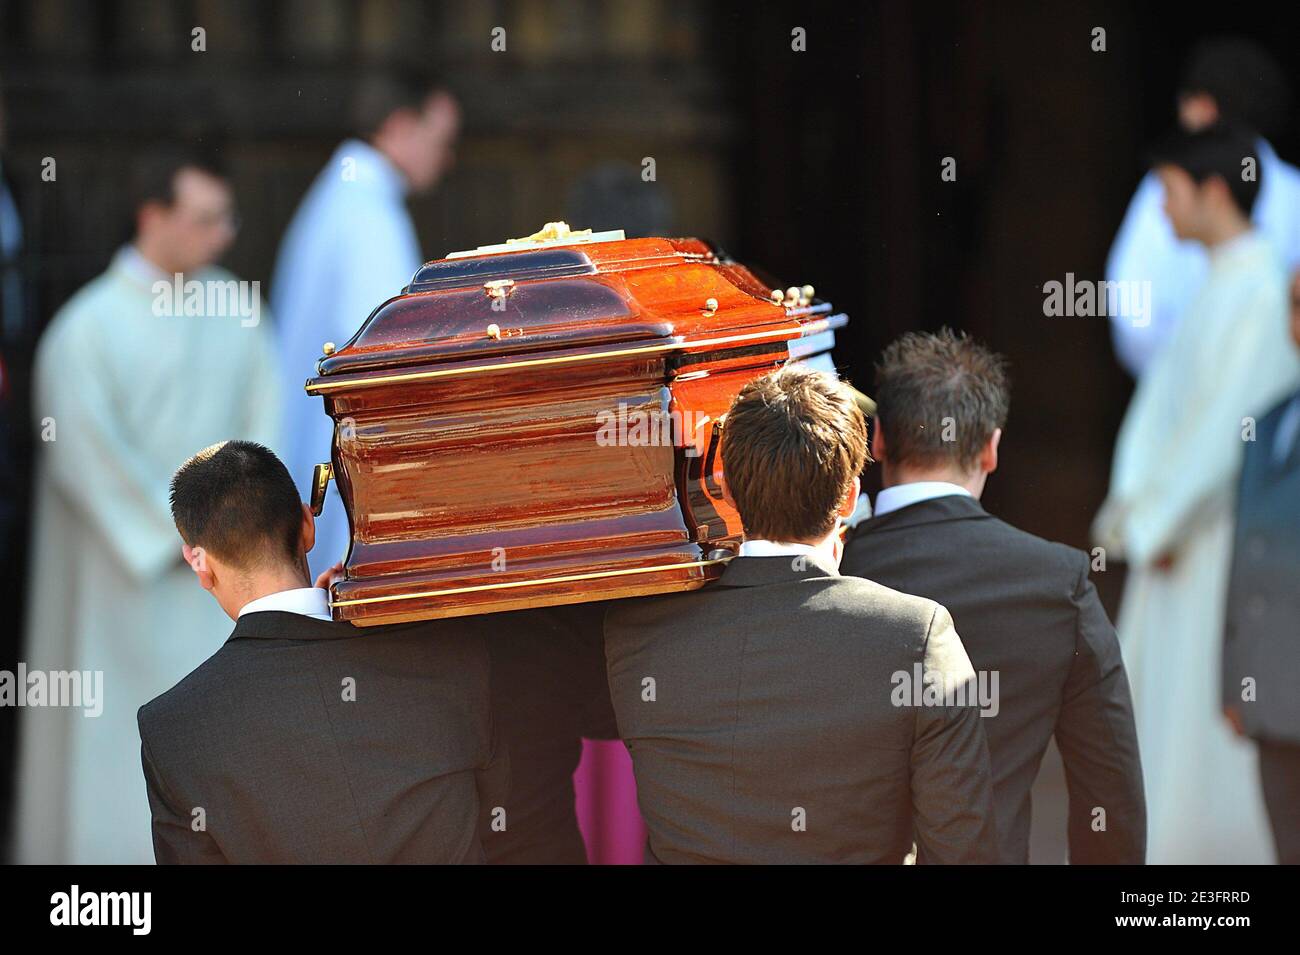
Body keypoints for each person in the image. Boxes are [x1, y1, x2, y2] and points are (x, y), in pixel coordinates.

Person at [603, 364, 996, 864]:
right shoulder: (916, 635)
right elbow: (963, 846)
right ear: (851, 498)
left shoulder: (634, 634)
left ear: (723, 487)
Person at [13, 149, 280, 863]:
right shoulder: (87, 329)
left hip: (218, 585)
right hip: (119, 589)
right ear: (152, 215)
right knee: (112, 768)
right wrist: (185, 532)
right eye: (203, 219)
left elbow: (269, 419)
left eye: (227, 218)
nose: (221, 236)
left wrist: (236, 531)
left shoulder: (240, 309)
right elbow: (83, 449)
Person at [840, 329, 1146, 864]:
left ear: (879, 440)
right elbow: (1109, 787)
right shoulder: (1058, 582)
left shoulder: (831, 570)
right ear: (991, 448)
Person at [138, 441, 500, 863]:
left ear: (199, 563)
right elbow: (519, 833)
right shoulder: (450, 656)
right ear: (307, 526)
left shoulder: (175, 729)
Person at [1094, 125, 1300, 863]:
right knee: (1161, 722)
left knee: (1199, 730)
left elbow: (1227, 428)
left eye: (1170, 192)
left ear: (1214, 191)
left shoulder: (1261, 284)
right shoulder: (1220, 279)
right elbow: (1161, 415)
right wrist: (1134, 508)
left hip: (1214, 542)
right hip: (1175, 538)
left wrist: (1155, 519)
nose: (1162, 210)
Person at [273, 72, 460, 579]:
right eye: (441, 141)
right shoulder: (366, 214)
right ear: (401, 125)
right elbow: (388, 353)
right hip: (339, 455)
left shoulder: (349, 195)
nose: (446, 160)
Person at [1106, 37, 1300, 378]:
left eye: (1187, 100)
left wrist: (1183, 372)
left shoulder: (1169, 184)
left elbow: (1132, 312)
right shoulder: (1293, 191)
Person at [1222, 269, 1300, 864]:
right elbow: (1243, 561)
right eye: (1297, 306)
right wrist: (1233, 678)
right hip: (1273, 696)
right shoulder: (1266, 425)